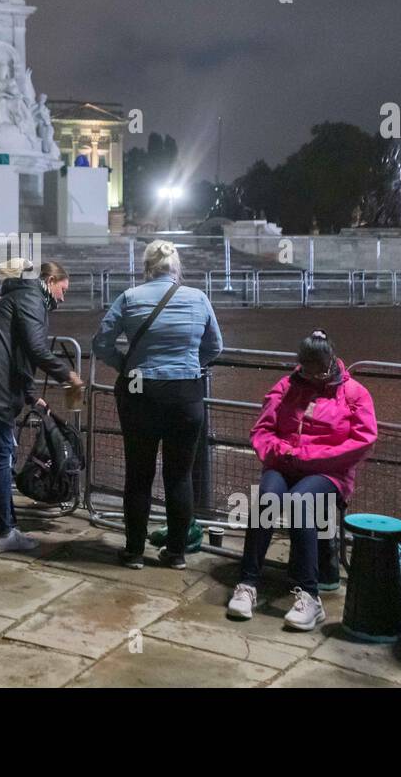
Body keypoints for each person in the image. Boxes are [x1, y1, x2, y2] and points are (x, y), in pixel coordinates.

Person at [226, 331, 378, 630]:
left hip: (329, 473)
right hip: (285, 464)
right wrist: (281, 452)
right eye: (308, 371)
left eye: (320, 370)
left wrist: (307, 456)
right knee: (266, 500)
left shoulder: (355, 393)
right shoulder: (285, 387)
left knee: (300, 503)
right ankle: (247, 584)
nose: (315, 376)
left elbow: (362, 441)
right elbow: (262, 430)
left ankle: (310, 596)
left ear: (331, 361)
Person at [93, 240, 223, 569]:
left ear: (146, 267)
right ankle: (177, 552)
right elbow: (215, 347)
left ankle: (134, 550)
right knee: (180, 477)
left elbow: (101, 343)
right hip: (185, 393)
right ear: (175, 267)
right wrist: (191, 365)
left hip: (140, 391)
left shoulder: (130, 298)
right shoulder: (198, 298)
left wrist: (125, 364)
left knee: (138, 474)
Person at [0, 261, 81, 553]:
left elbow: (15, 354)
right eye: (62, 288)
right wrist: (68, 376)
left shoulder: (13, 297)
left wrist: (32, 395)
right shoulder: (31, 298)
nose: (63, 297)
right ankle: (4, 532)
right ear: (49, 280)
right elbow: (35, 349)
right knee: (0, 460)